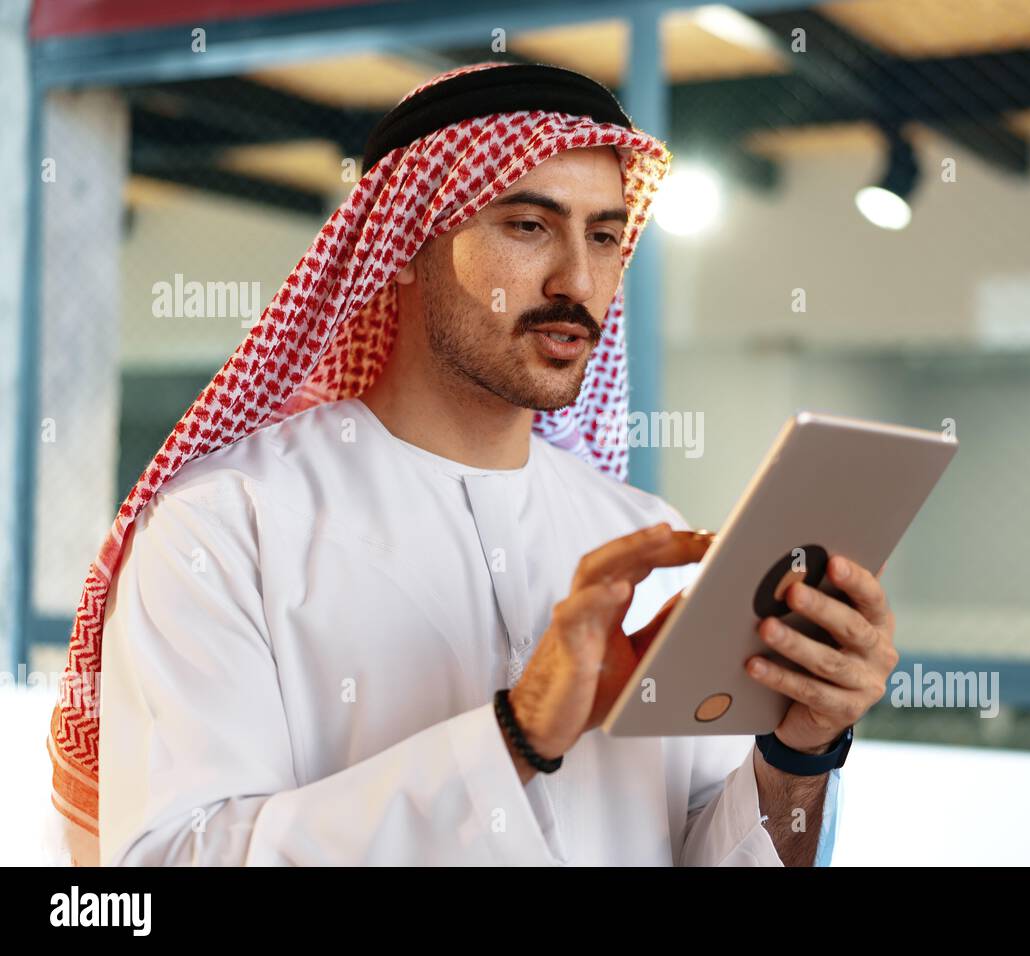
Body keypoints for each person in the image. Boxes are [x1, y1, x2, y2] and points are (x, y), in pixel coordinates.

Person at [46, 61, 899, 866]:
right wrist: (515, 733)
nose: (578, 279)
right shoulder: (229, 524)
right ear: (404, 243)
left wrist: (801, 746)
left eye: (605, 236)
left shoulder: (645, 534)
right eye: (528, 225)